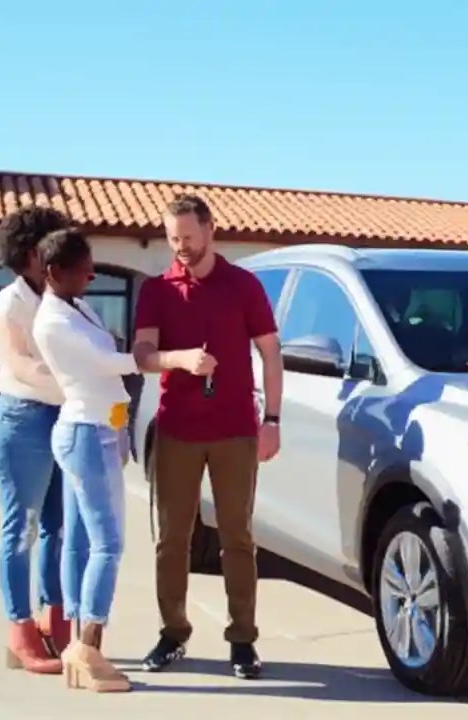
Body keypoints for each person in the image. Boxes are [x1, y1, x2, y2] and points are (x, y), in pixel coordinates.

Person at [131, 193, 282, 679]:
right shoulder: (157, 290)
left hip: (236, 432)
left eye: (189, 238)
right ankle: (173, 632)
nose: (181, 248)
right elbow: (142, 355)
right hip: (177, 431)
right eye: (173, 239)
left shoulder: (244, 286)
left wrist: (272, 420)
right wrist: (178, 360)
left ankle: (243, 641)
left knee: (237, 538)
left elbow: (271, 354)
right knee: (171, 539)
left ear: (210, 229)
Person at [33, 228, 137, 693]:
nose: (92, 274)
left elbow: (105, 351)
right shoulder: (52, 320)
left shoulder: (77, 307)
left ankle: (80, 644)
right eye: (83, 268)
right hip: (85, 432)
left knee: (80, 540)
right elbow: (109, 360)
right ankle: (88, 646)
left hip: (98, 429)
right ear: (54, 273)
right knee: (108, 545)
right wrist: (171, 359)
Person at [0, 206, 73, 675]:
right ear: (34, 252)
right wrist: (80, 386)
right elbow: (20, 366)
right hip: (20, 419)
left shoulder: (61, 297)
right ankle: (19, 631)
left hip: (61, 417)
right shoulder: (9, 303)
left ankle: (54, 621)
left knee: (60, 526)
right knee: (23, 529)